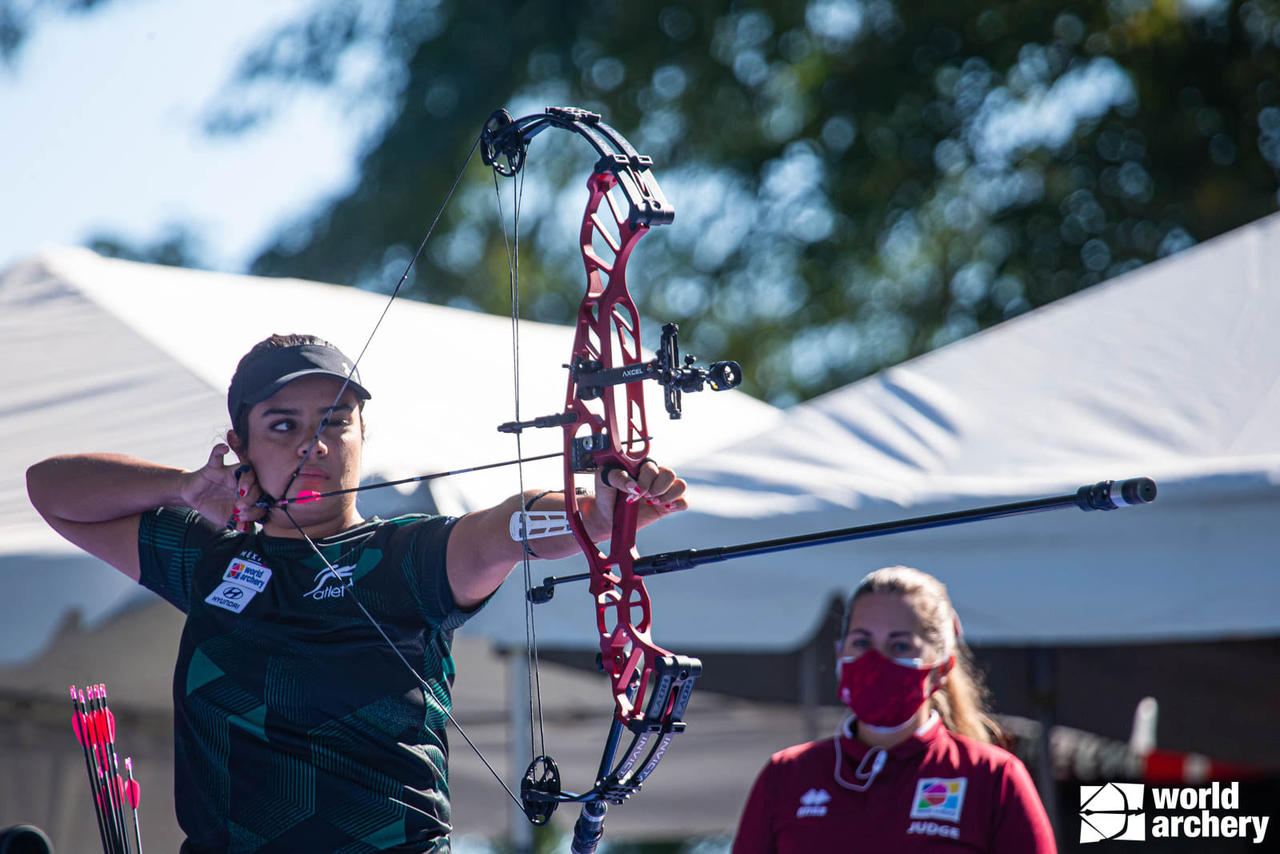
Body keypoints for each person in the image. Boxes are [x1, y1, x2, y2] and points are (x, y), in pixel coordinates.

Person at [26, 333, 688, 854]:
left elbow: (503, 531)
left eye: (335, 422)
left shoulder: (404, 558)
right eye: (283, 426)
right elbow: (50, 489)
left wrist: (595, 516)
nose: (313, 444)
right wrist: (181, 487)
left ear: (363, 434)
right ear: (240, 447)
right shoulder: (208, 562)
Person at [733, 566, 1057, 853]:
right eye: (861, 642)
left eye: (900, 645)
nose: (876, 659)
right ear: (838, 653)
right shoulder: (787, 774)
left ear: (941, 669)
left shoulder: (992, 776)